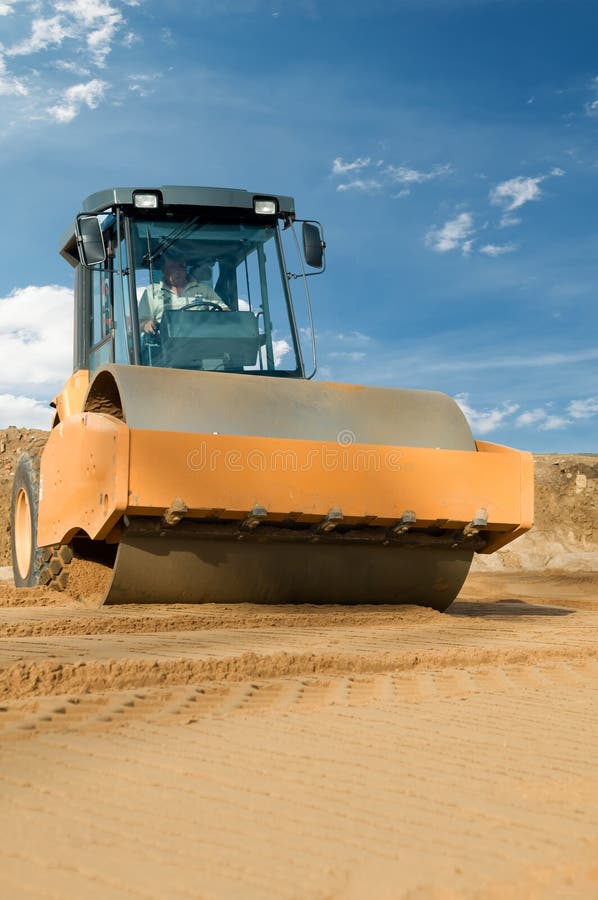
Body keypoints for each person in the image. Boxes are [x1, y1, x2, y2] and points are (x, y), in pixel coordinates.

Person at [138, 255, 229, 335]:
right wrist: (147, 325)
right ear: (164, 270)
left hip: (203, 341)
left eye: (181, 266)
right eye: (172, 267)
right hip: (163, 347)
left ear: (185, 269)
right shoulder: (152, 291)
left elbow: (225, 311)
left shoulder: (204, 289)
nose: (177, 271)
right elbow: (139, 323)